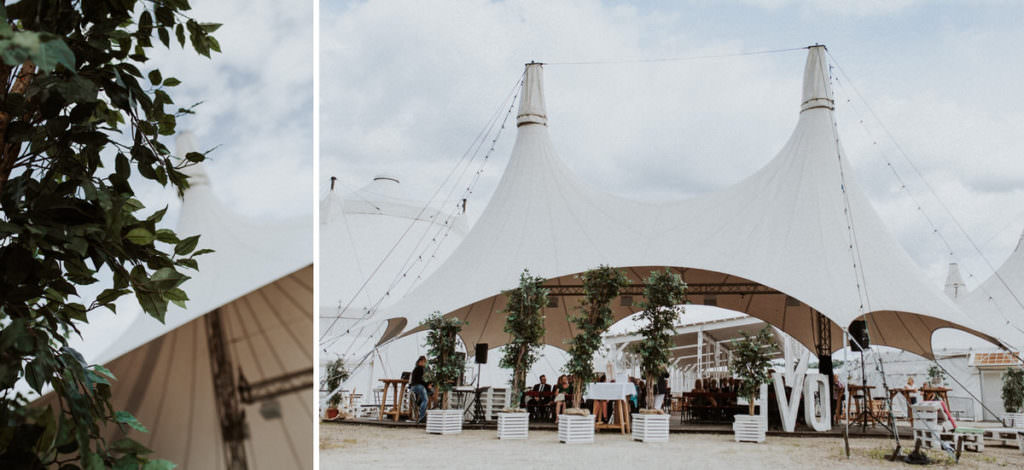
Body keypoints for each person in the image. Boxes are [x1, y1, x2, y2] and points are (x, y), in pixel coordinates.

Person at [409, 356, 430, 424]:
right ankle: (422, 417)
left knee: (425, 396)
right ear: (420, 362)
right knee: (425, 399)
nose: (425, 363)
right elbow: (420, 381)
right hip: (418, 386)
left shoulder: (416, 369)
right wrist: (427, 385)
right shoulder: (420, 369)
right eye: (424, 362)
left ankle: (419, 404)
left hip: (414, 386)